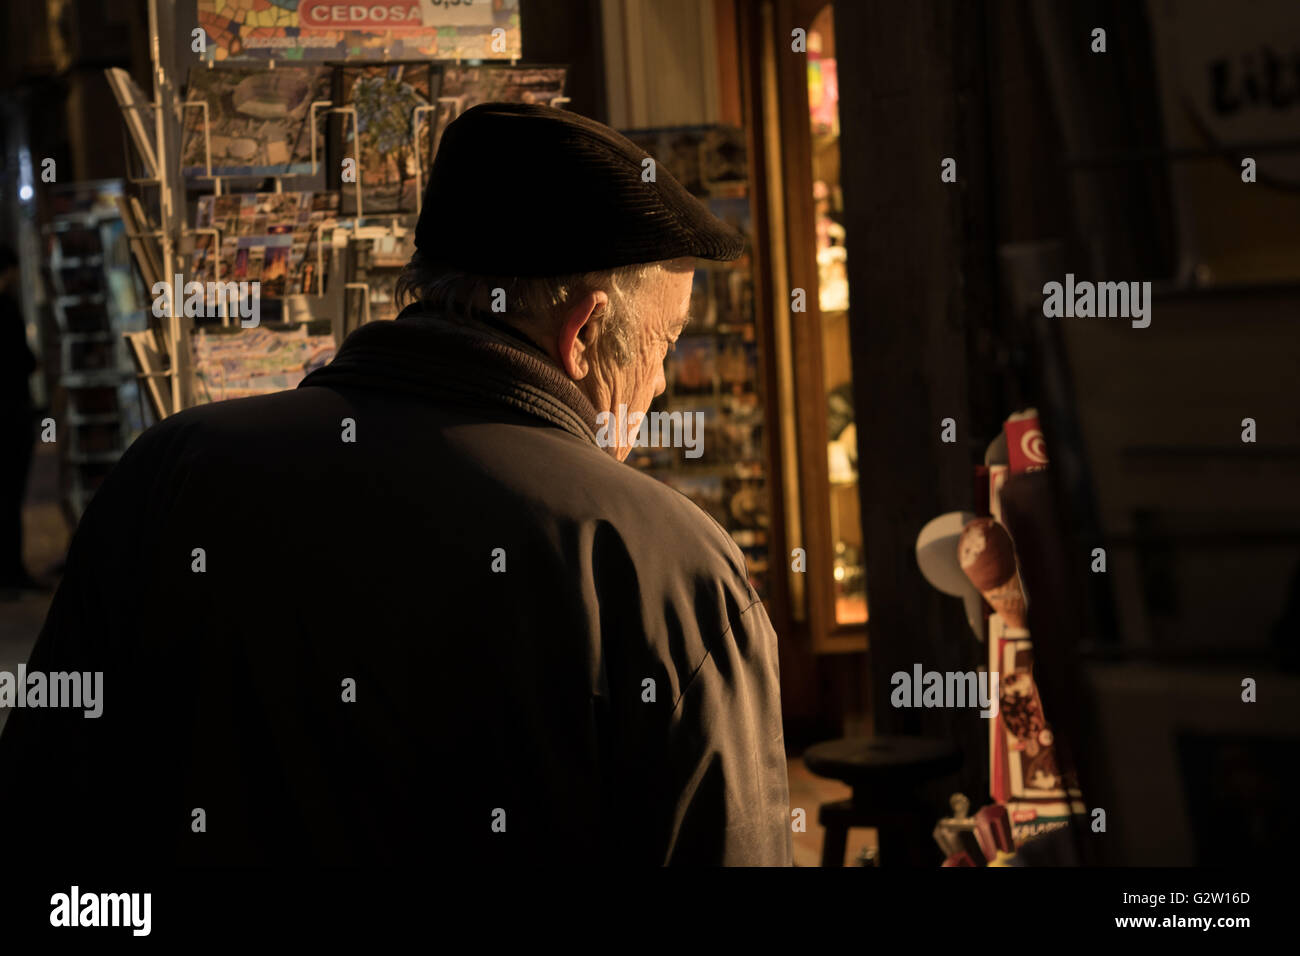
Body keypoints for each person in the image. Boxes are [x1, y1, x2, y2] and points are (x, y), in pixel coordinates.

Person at [0, 104, 792, 865]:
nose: (659, 388)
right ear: (582, 335)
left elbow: (43, 808)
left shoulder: (170, 469)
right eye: (665, 344)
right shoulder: (667, 568)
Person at [0, 243, 40, 595]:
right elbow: (26, 362)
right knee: (11, 497)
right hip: (11, 416)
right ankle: (12, 574)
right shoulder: (7, 309)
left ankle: (12, 573)